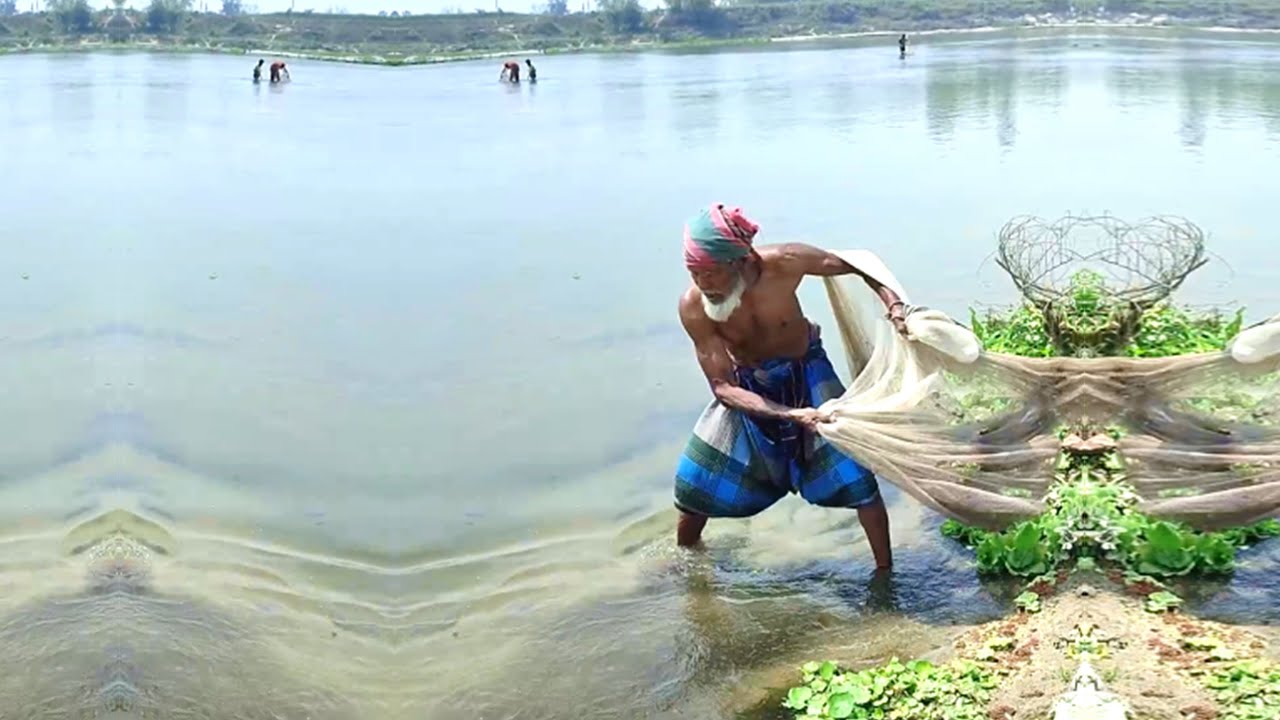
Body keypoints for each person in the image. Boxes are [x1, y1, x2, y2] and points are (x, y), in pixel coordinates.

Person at [673, 204, 907, 570]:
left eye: (710, 273)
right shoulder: (694, 306)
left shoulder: (785, 262)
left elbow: (860, 265)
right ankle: (685, 568)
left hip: (808, 372)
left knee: (857, 478)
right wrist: (788, 414)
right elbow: (723, 387)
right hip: (748, 389)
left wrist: (895, 305)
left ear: (740, 259)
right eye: (693, 272)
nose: (703, 284)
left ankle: (885, 574)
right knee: (696, 485)